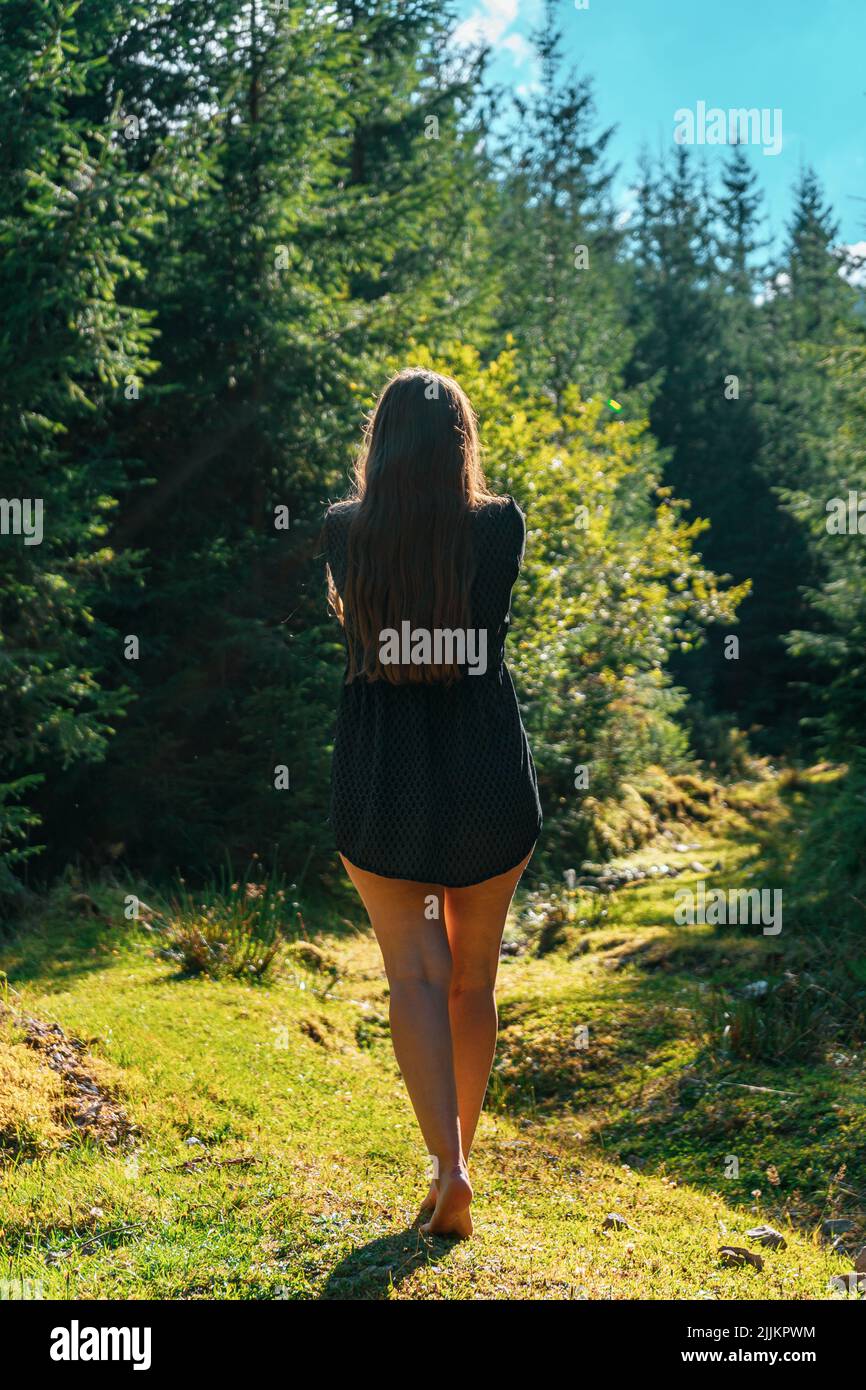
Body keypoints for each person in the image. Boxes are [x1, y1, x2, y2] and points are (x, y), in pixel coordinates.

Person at [323, 367, 542, 1237]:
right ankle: (460, 1166)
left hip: (385, 780)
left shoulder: (344, 531)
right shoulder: (500, 526)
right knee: (473, 979)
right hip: (485, 772)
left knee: (415, 973)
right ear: (462, 440)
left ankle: (447, 1169)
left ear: (379, 441)